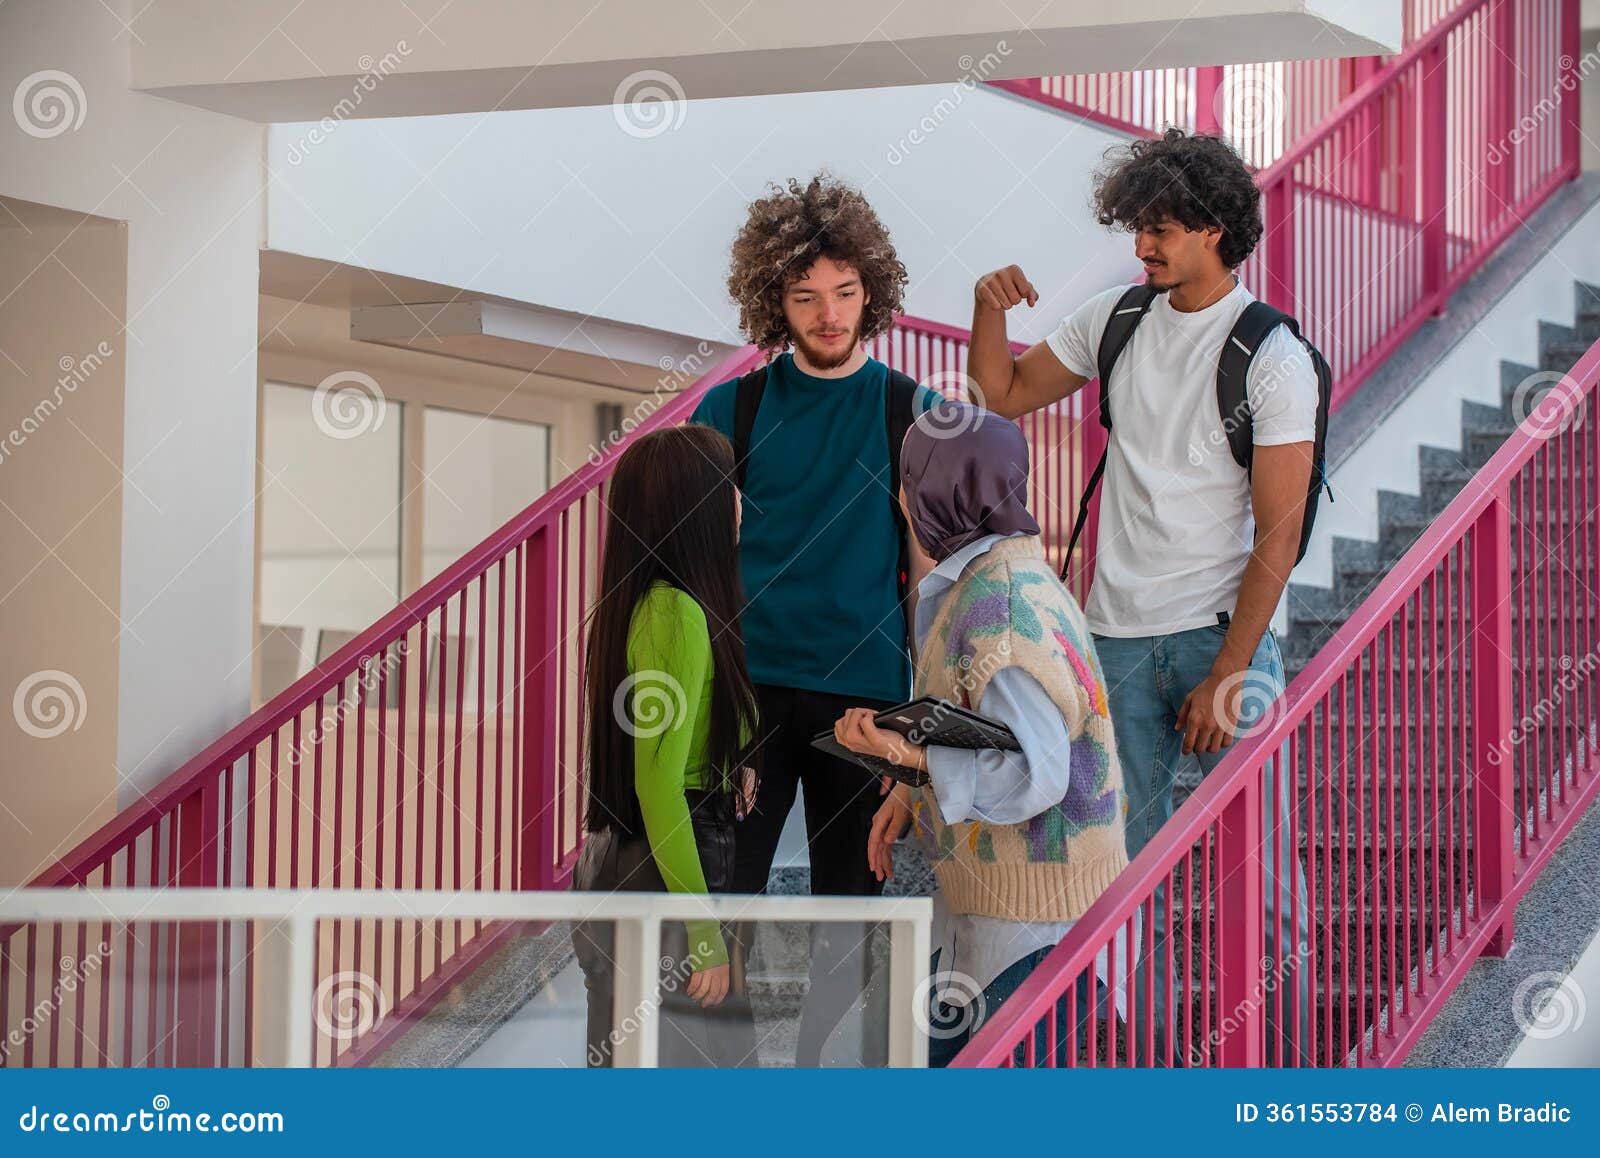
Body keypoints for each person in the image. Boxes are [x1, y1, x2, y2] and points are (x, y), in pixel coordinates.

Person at [964, 128, 1314, 1064]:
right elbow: (999, 394)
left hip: (1220, 642)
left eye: (1160, 229)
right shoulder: (1118, 318)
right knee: (1131, 891)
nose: (1143, 246)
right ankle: (1152, 1084)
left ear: (1214, 229)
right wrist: (986, 307)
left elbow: (1280, 531)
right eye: (1138, 229)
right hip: (1113, 639)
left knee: (1264, 882)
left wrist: (1232, 668)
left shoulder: (1271, 354)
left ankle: (1282, 1082)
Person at [689, 173, 942, 1066]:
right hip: (754, 691)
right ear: (775, 303)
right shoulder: (734, 408)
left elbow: (930, 574)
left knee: (850, 908)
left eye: (843, 293)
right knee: (730, 900)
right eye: (806, 297)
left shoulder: (909, 411)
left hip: (867, 702)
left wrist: (922, 728)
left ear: (871, 290)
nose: (829, 314)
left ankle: (822, 1091)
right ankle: (725, 1091)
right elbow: (704, 563)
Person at [833, 404, 1132, 1067]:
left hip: (1032, 921)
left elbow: (1040, 772)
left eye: (910, 480)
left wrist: (903, 754)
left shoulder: (999, 607)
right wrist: (910, 787)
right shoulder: (997, 578)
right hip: (1004, 905)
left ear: (938, 491)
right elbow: (980, 728)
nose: (901, 498)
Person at [569, 424, 760, 1068]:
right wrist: (703, 933)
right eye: (728, 489)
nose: (740, 502)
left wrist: (734, 761)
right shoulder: (675, 613)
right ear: (694, 509)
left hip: (641, 865)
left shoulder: (645, 605)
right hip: (669, 866)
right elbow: (659, 786)